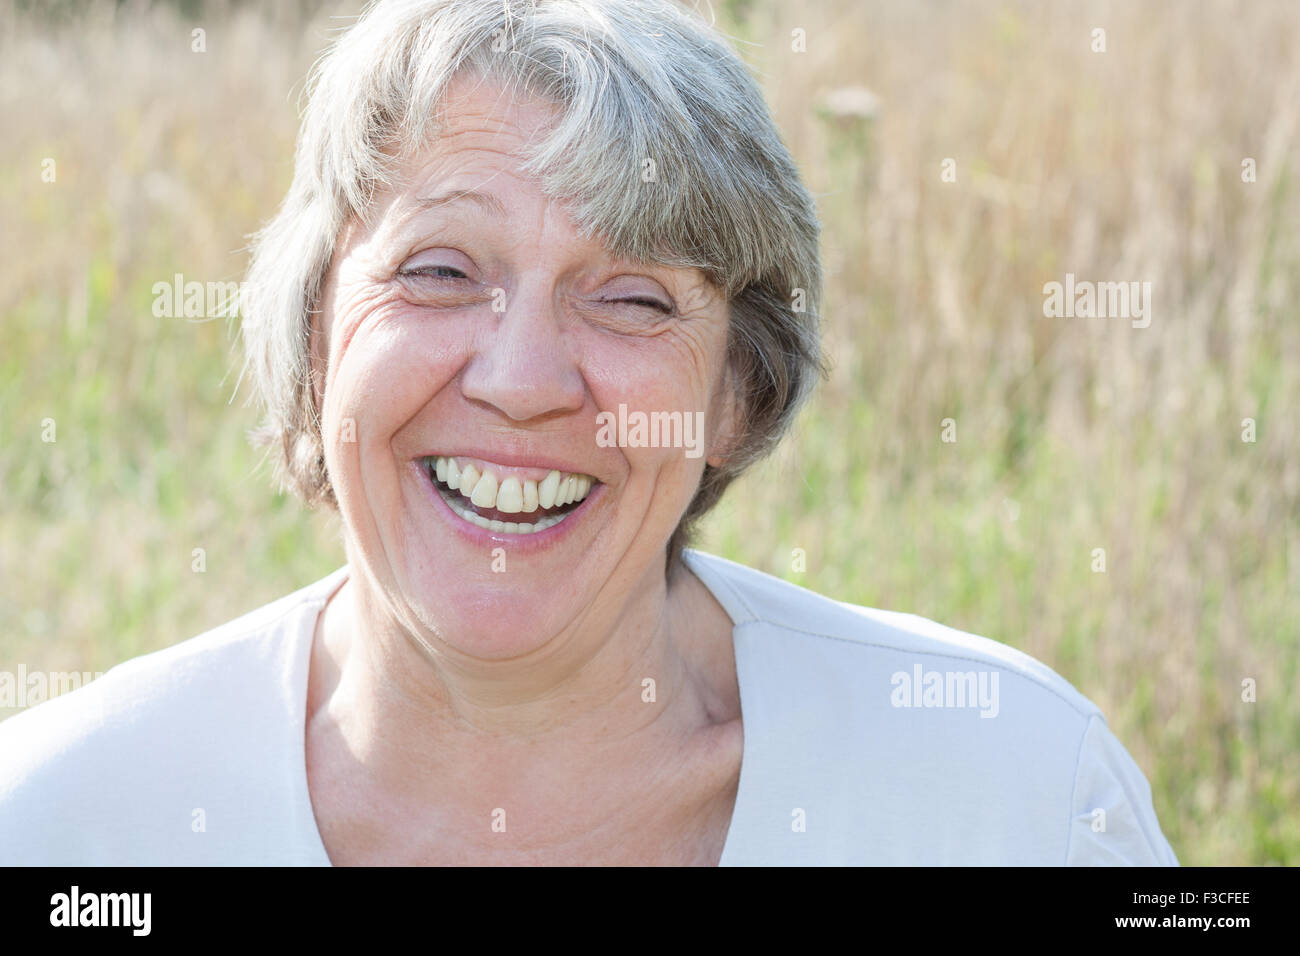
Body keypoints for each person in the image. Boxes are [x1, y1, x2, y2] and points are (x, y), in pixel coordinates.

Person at [0, 0, 1176, 865]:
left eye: (632, 298)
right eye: (441, 269)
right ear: (316, 337)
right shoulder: (56, 821)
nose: (521, 381)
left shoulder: (1018, 792)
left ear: (736, 393)